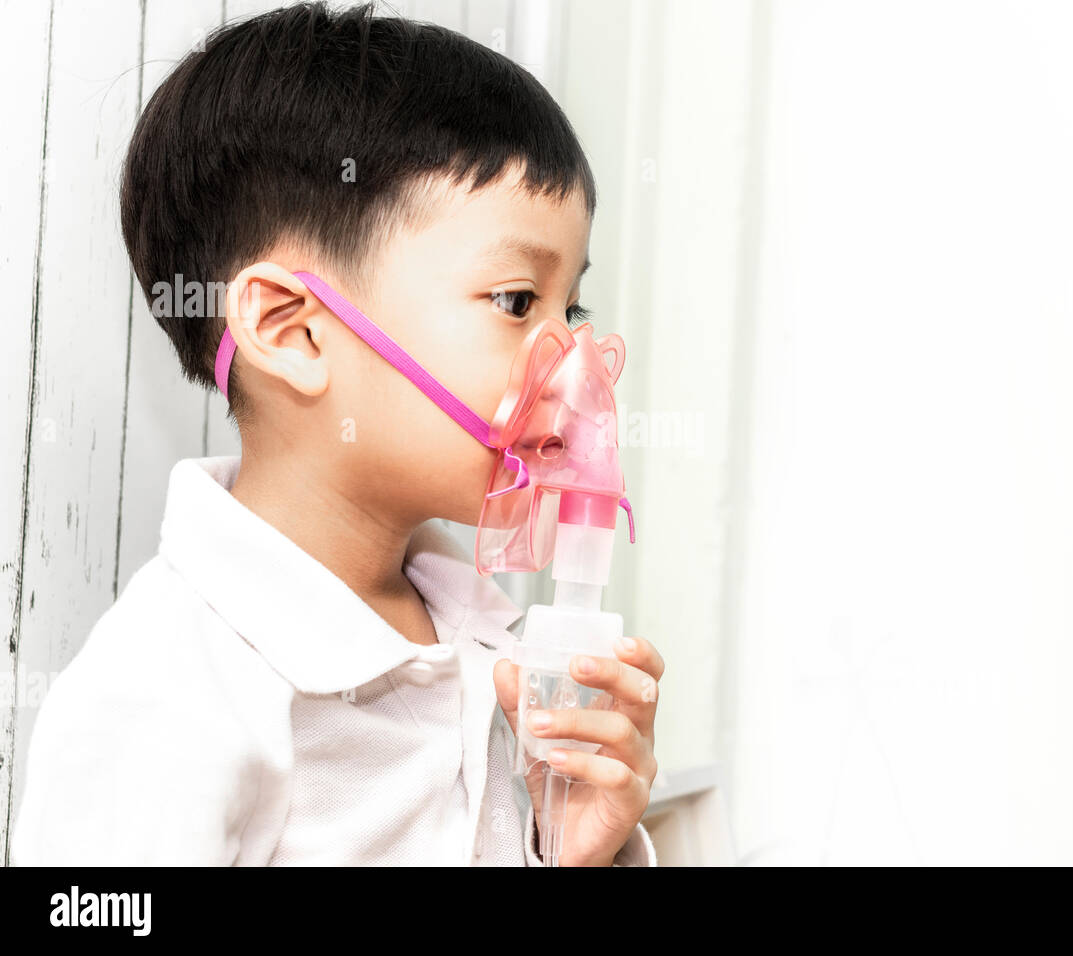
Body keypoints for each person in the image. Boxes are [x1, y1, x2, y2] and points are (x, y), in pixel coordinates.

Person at [12, 1, 661, 866]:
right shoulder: (164, 701)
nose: (576, 363)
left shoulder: (486, 642)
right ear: (292, 330)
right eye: (515, 301)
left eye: (570, 307)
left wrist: (582, 853)